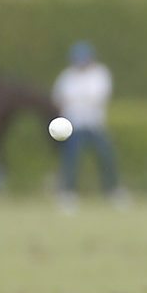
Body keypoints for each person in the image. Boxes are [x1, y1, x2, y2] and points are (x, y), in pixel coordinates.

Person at [52, 41, 124, 210]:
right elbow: (59, 98)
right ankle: (68, 193)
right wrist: (80, 99)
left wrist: (78, 99)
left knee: (106, 156)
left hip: (95, 124)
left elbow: (98, 96)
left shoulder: (100, 74)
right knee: (71, 160)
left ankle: (113, 191)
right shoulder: (67, 76)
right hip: (73, 125)